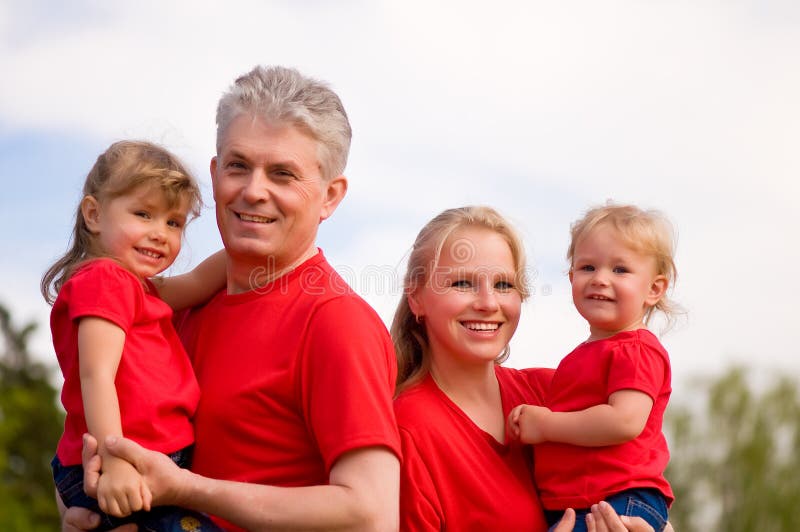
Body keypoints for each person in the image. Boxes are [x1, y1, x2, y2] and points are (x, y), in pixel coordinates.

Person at [63, 65, 401, 532]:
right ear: (215, 173)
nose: (253, 191)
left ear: (330, 197)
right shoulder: (172, 309)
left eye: (283, 174)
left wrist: (184, 489)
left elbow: (371, 514)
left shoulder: (336, 322)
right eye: (239, 166)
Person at [391, 205, 666, 531]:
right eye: (463, 283)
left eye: (504, 286)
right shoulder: (408, 430)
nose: (488, 303)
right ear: (417, 297)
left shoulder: (551, 390)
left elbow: (641, 484)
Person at [42, 140, 226, 530]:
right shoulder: (105, 280)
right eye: (144, 214)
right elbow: (97, 376)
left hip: (142, 459)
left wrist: (254, 249)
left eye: (173, 223)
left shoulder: (134, 287)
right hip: (122, 461)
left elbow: (196, 282)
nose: (160, 233)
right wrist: (115, 461)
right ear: (94, 214)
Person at [508, 203, 678, 532]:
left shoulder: (636, 349)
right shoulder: (586, 353)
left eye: (620, 270)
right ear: (571, 277)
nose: (600, 279)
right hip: (580, 502)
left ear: (654, 289)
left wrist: (546, 426)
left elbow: (624, 420)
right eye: (587, 267)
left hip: (617, 499)